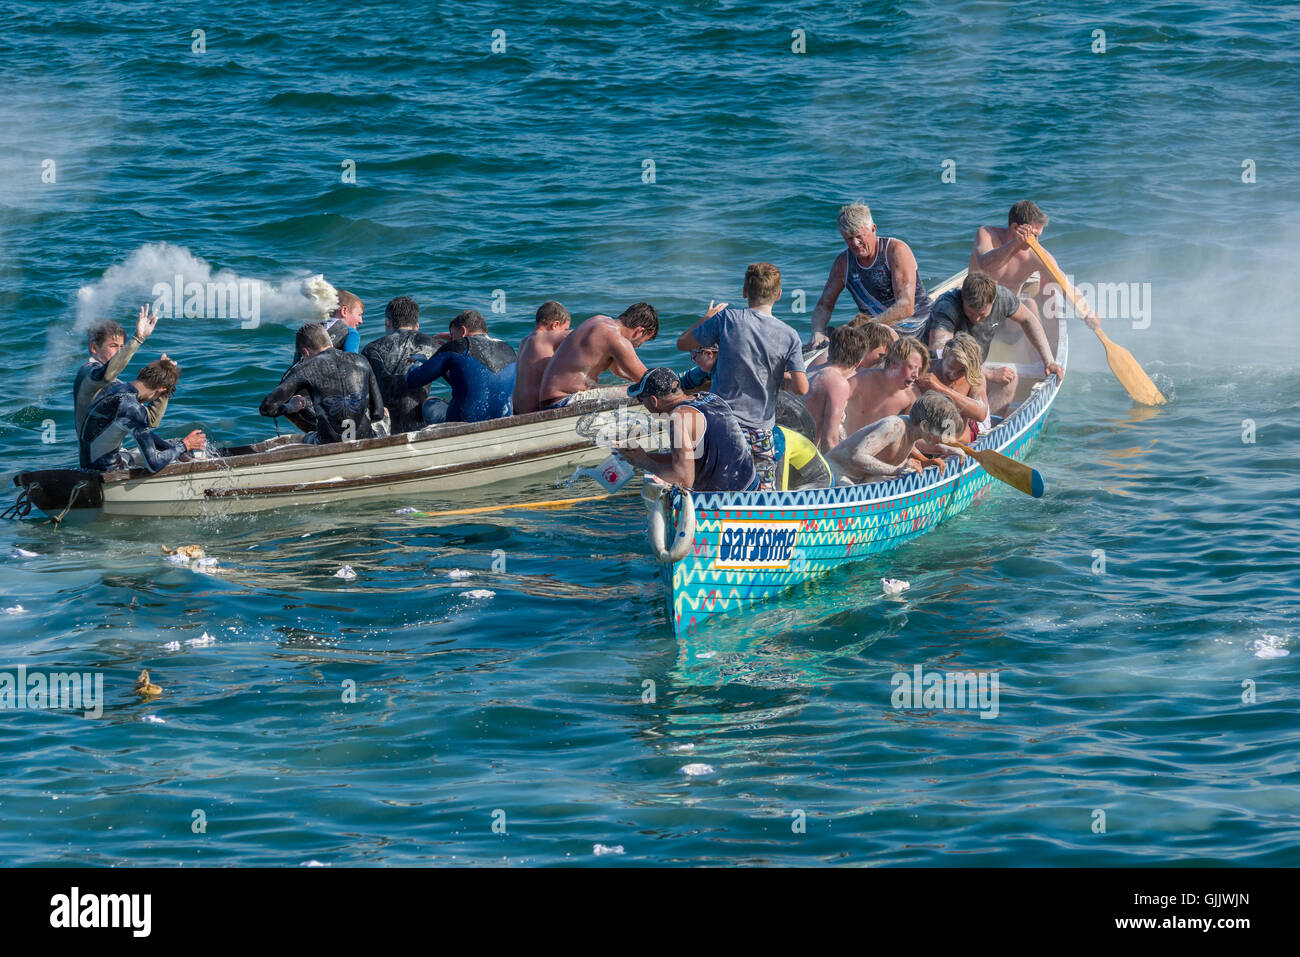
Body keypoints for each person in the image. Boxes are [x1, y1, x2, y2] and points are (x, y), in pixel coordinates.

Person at [677, 263, 808, 491]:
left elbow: (683, 343)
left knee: (711, 482)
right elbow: (802, 388)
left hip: (720, 423)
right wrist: (779, 376)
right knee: (763, 491)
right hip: (760, 428)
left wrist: (707, 318)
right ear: (779, 294)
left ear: (744, 292)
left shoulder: (728, 319)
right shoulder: (790, 336)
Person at [924, 271, 1063, 415]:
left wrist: (1049, 361)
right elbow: (941, 354)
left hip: (972, 368)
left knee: (1009, 380)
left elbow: (1028, 320)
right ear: (962, 298)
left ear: (993, 300)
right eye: (971, 313)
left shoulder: (1002, 298)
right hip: (944, 368)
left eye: (982, 314)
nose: (976, 319)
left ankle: (985, 428)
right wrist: (989, 374)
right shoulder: (948, 306)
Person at [969, 201, 1099, 353]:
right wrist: (1014, 245)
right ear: (1015, 228)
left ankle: (1040, 363)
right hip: (974, 312)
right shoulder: (987, 234)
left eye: (1039, 237)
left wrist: (1087, 311)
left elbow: (1064, 283)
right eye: (1034, 236)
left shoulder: (1036, 256)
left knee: (1029, 305)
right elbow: (985, 265)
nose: (1036, 242)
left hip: (1007, 320)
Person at [808, 202, 934, 346]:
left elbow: (906, 307)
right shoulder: (843, 263)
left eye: (859, 236)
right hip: (876, 332)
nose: (855, 243)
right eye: (849, 239)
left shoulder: (895, 251)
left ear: (873, 229)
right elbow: (824, 305)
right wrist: (817, 332)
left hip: (918, 327)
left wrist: (865, 327)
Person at [612, 368, 756, 493]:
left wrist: (644, 463)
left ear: (654, 400)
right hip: (752, 488)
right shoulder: (709, 397)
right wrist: (645, 456)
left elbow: (683, 480)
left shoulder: (678, 418)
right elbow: (686, 457)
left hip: (728, 503)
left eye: (640, 399)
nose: (642, 404)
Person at [260, 323, 385, 443]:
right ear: (328, 341)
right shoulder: (361, 360)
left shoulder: (306, 368)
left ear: (306, 352)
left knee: (298, 440)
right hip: (366, 438)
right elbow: (378, 413)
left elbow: (267, 408)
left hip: (327, 443)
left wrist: (290, 407)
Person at [79, 358, 206, 472]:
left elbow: (144, 432)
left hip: (87, 466)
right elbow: (154, 464)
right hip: (107, 474)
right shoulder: (132, 408)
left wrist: (179, 451)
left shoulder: (112, 387)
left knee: (172, 448)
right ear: (162, 390)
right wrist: (185, 445)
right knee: (178, 449)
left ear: (141, 372)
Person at [827, 391, 965, 485]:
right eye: (942, 434)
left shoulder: (913, 429)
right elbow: (857, 456)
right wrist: (898, 470)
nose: (944, 438)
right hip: (833, 473)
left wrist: (944, 449)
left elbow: (914, 442)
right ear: (924, 426)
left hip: (859, 477)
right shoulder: (894, 426)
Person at [538, 303, 658, 409]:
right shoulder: (616, 339)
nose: (638, 346)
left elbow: (617, 370)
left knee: (632, 388)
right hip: (563, 401)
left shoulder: (599, 320)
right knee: (643, 392)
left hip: (550, 399)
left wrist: (638, 383)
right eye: (642, 341)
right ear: (639, 331)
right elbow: (648, 380)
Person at [406, 310, 517, 423]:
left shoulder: (456, 347)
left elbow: (413, 380)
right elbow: (471, 382)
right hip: (503, 422)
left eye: (453, 334)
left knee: (430, 402)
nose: (452, 339)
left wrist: (419, 360)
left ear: (463, 330)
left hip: (462, 424)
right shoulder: (509, 349)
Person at [73, 306, 166, 435]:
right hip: (94, 454)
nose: (120, 351)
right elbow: (106, 375)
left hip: (114, 453)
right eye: (113, 346)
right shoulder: (87, 373)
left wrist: (164, 381)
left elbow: (150, 420)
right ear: (94, 348)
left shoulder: (116, 385)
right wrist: (138, 338)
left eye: (122, 347)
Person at [361, 295, 439, 433]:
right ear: (417, 326)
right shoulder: (432, 345)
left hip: (384, 429)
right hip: (420, 427)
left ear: (388, 322)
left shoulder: (370, 350)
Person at [840, 335, 930, 440]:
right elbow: (834, 399)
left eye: (918, 369)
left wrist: (940, 446)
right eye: (911, 367)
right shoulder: (865, 380)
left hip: (880, 452)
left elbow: (913, 437)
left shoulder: (911, 395)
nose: (916, 375)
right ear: (894, 363)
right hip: (845, 447)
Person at [803, 324, 871, 453]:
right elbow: (829, 439)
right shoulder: (837, 382)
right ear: (858, 363)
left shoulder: (811, 371)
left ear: (829, 351)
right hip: (803, 451)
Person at [916, 332, 990, 443]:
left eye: (961, 371)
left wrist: (940, 388)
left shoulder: (974, 377)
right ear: (944, 355)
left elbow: (981, 414)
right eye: (950, 367)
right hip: (925, 443)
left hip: (959, 443)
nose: (953, 375)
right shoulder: (926, 370)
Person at [512, 301, 572, 415]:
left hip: (518, 410)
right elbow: (581, 333)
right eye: (565, 329)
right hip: (535, 410)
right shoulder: (547, 336)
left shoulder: (524, 341)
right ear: (555, 325)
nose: (565, 332)